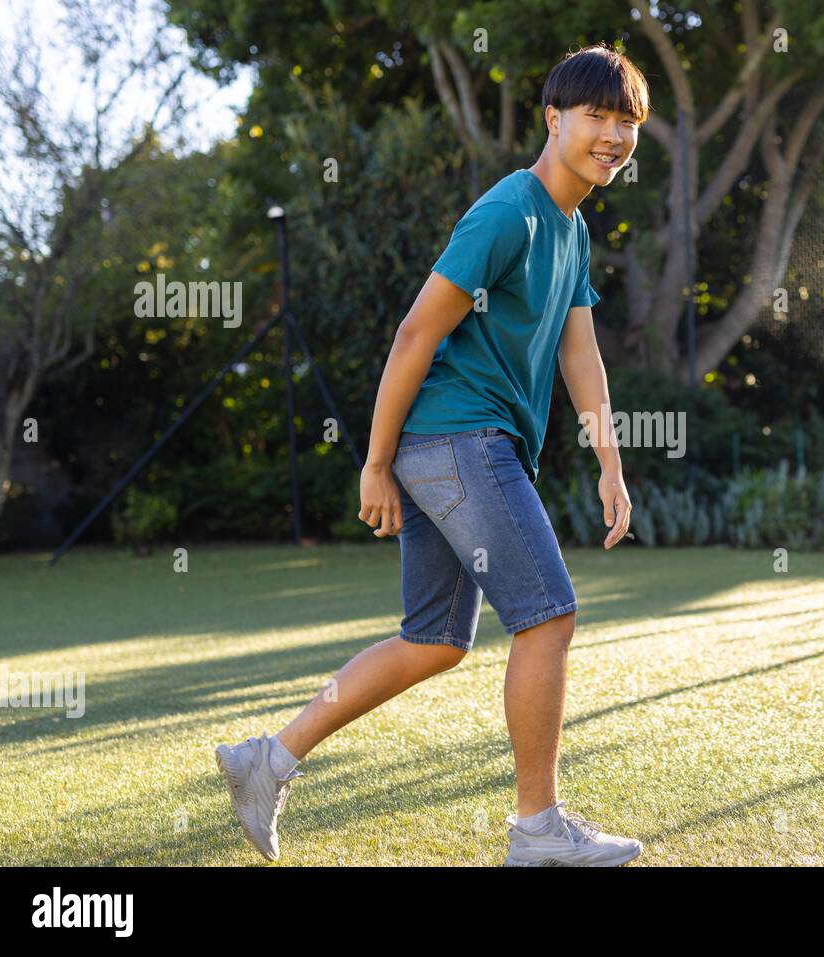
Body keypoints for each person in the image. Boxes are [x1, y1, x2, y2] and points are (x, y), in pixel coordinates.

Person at [216, 42, 651, 867]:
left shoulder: (572, 229)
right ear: (554, 118)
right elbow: (417, 331)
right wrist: (374, 462)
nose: (612, 135)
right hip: (456, 438)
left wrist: (610, 462)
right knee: (549, 617)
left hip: (460, 448)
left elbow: (581, 356)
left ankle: (266, 760)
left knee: (434, 639)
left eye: (626, 121)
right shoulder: (509, 212)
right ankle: (538, 830)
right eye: (596, 115)